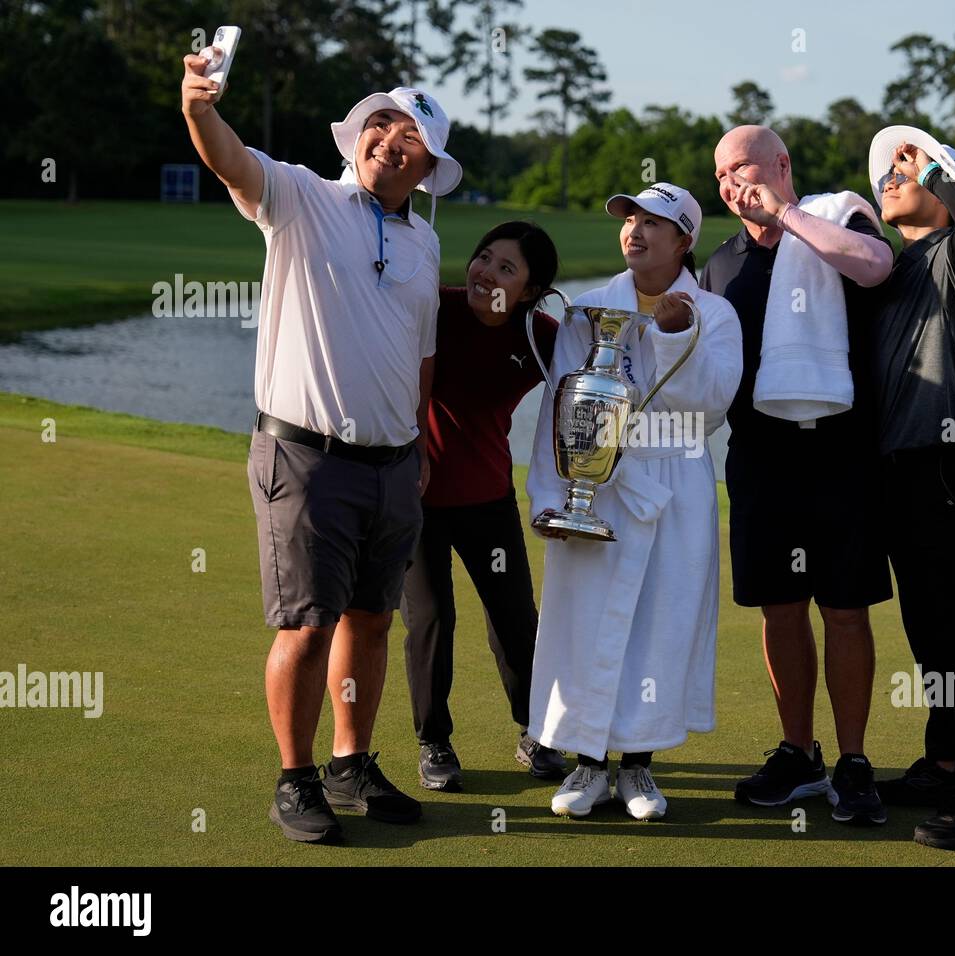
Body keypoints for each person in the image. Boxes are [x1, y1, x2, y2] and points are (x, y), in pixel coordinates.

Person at [182, 54, 461, 842]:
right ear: (356, 137)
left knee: (371, 621)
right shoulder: (303, 195)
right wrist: (200, 108)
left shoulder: (424, 246)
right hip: (305, 458)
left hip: (392, 463)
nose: (390, 139)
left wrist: (418, 446)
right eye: (380, 122)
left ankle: (351, 763)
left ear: (429, 166)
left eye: (410, 135)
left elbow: (421, 353)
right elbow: (230, 159)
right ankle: (295, 778)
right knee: (306, 624)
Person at [526, 183, 742, 820]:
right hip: (595, 483)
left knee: (662, 623)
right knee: (585, 621)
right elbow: (559, 410)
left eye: (654, 223)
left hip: (677, 483)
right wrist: (550, 495)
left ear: (684, 240)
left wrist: (676, 338)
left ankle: (639, 768)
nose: (635, 232)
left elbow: (711, 408)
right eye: (629, 220)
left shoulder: (715, 315)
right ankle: (587, 764)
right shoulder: (587, 309)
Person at [701, 126, 895, 825]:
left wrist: (786, 215)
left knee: (845, 608)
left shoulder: (838, 216)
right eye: (720, 174)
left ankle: (853, 761)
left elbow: (875, 267)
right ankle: (797, 753)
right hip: (760, 462)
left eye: (741, 166)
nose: (729, 183)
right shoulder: (720, 266)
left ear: (780, 164)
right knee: (779, 609)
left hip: (842, 456)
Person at [867, 126, 955, 849]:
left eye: (905, 169)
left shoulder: (953, 256)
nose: (891, 177)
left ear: (945, 187)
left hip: (945, 470)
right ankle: (946, 761)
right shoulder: (893, 267)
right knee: (928, 638)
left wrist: (940, 170)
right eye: (889, 170)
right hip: (898, 473)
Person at [400, 221, 567, 791]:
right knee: (430, 618)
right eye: (483, 256)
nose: (485, 273)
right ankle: (434, 741)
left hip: (488, 499)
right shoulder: (433, 308)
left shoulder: (542, 335)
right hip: (416, 499)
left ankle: (536, 730)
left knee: (515, 620)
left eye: (505, 268)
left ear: (530, 290)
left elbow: (592, 385)